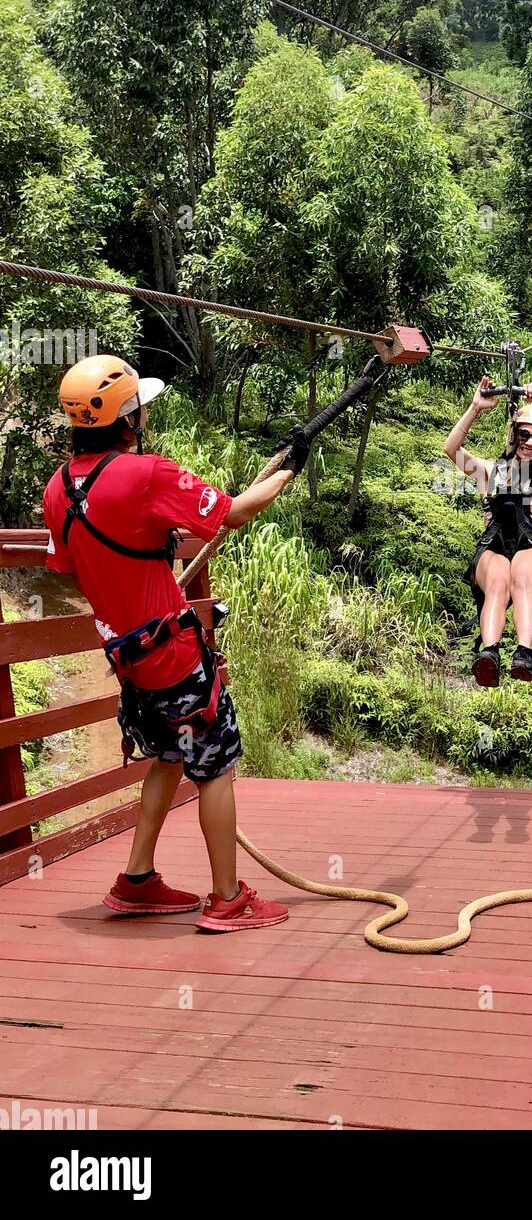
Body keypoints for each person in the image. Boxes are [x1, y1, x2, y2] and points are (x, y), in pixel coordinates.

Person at [42, 355, 310, 932]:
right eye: (139, 409)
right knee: (215, 766)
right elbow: (230, 513)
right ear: (127, 418)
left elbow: (67, 566)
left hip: (128, 659)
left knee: (168, 753)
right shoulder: (146, 474)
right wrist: (289, 471)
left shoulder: (58, 489)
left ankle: (136, 880)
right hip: (173, 655)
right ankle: (227, 898)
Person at [444, 378, 532, 686]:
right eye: (524, 434)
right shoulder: (489, 471)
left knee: (523, 579)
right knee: (499, 584)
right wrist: (477, 407)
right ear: (515, 434)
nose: (530, 442)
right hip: (494, 545)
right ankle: (489, 654)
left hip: (529, 545)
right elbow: (452, 449)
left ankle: (524, 654)